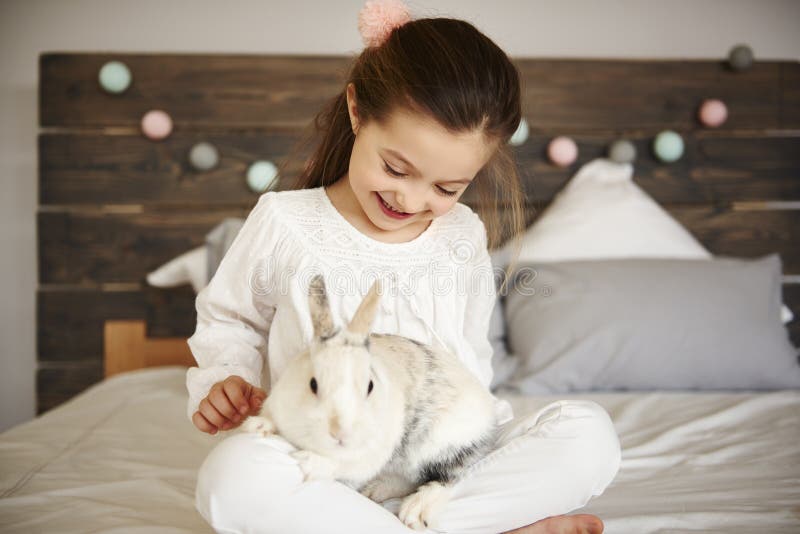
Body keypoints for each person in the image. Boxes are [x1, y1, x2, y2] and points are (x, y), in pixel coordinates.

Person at [186, 1, 621, 533]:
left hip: (430, 461)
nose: (411, 200)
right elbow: (231, 319)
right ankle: (468, 526)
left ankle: (389, 522)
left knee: (590, 437)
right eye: (396, 168)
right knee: (231, 481)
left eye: (446, 187)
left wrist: (467, 446)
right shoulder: (285, 222)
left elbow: (468, 353)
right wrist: (226, 380)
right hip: (323, 456)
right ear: (356, 112)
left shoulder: (461, 234)